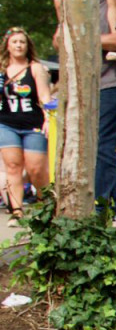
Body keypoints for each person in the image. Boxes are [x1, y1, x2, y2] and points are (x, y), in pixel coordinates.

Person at [54, 0, 116, 225]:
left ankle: (101, 209)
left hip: (112, 83)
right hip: (82, 85)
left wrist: (83, 38)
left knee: (102, 145)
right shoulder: (73, 5)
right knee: (91, 148)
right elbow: (58, 41)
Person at [0, 28, 51, 218]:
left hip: (33, 124)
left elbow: (45, 97)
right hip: (7, 124)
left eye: (22, 42)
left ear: (28, 46)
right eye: (14, 42)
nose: (18, 45)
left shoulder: (35, 68)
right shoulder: (2, 70)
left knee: (35, 169)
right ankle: (17, 210)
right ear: (7, 46)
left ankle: (45, 204)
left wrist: (48, 119)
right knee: (13, 167)